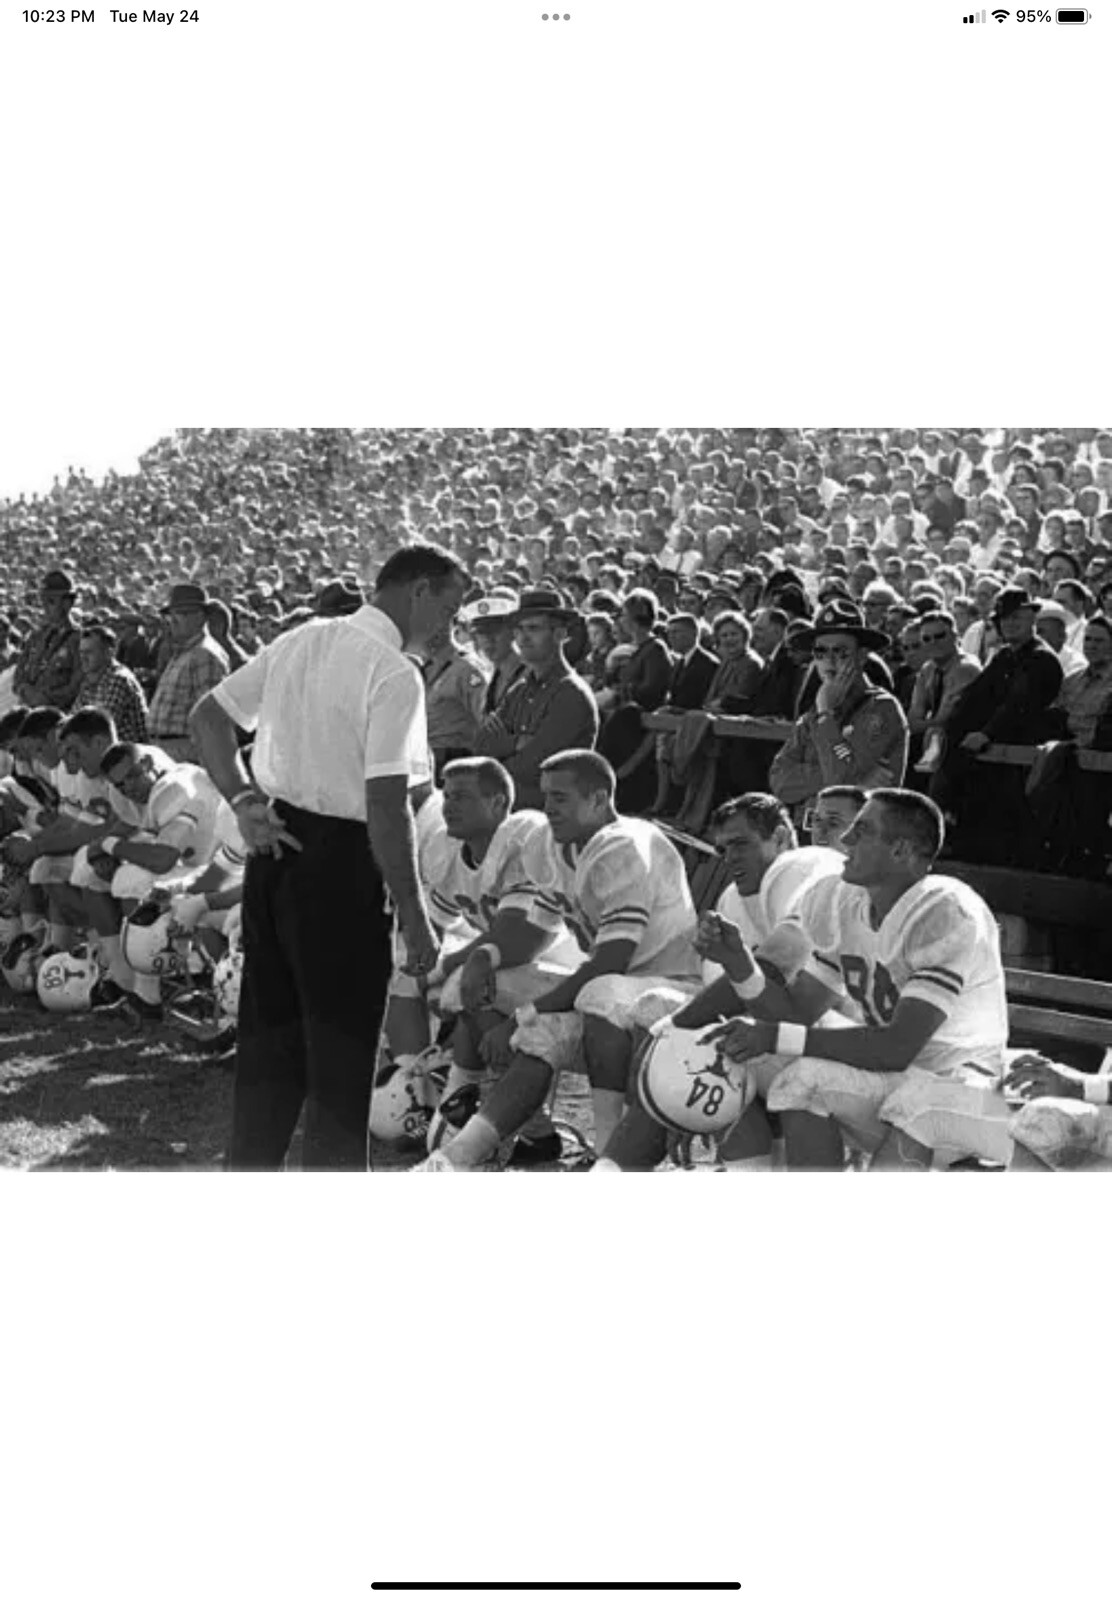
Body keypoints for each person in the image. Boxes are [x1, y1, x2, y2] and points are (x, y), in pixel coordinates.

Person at [189, 541, 468, 1170]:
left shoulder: (301, 639)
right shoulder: (394, 671)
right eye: (448, 608)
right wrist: (416, 917)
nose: (451, 625)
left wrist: (241, 798)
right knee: (340, 1061)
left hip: (276, 853)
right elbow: (387, 805)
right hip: (341, 864)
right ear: (417, 591)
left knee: (269, 1044)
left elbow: (208, 718)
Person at [413, 749, 701, 1169]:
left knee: (596, 995)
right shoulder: (551, 843)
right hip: (608, 991)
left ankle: (606, 1153)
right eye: (546, 796)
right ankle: (461, 1156)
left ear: (599, 800)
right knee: (482, 992)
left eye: (561, 798)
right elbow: (536, 932)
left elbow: (610, 963)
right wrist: (483, 956)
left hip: (667, 988)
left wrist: (523, 1014)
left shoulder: (622, 847)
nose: (548, 808)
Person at [705, 790, 1013, 1171]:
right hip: (896, 1081)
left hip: (965, 1087)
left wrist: (771, 1036)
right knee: (797, 1082)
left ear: (900, 851)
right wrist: (741, 968)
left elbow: (897, 1046)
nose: (846, 839)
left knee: (914, 1104)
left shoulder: (944, 908)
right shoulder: (842, 900)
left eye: (862, 831)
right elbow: (795, 1014)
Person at [769, 599, 909, 815]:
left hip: (857, 837)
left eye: (841, 652)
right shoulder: (814, 711)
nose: (829, 660)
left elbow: (840, 780)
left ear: (862, 656)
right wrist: (841, 773)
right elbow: (779, 780)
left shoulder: (882, 708)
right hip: (810, 831)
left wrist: (826, 716)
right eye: (820, 652)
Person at [472, 589, 599, 810]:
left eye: (533, 628)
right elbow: (481, 743)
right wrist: (516, 743)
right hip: (511, 812)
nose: (522, 637)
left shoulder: (571, 693)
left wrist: (502, 746)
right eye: (519, 629)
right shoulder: (520, 690)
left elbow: (532, 768)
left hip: (553, 820)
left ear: (560, 634)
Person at [146, 583, 229, 763]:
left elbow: (211, 720)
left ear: (201, 617)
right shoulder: (184, 652)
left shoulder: (205, 655)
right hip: (165, 748)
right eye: (171, 614)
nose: (173, 620)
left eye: (182, 614)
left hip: (184, 752)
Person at [422, 623, 490, 776]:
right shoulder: (424, 667)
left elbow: (486, 724)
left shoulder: (467, 669)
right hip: (427, 762)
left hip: (455, 762)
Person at [13, 570, 83, 711]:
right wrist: (23, 689)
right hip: (27, 711)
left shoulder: (79, 640)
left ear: (67, 603)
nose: (44, 606)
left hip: (56, 717)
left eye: (51, 601)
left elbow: (77, 685)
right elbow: (20, 670)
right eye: (43, 600)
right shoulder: (36, 635)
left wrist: (46, 698)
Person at [75, 625, 150, 744]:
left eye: (89, 652)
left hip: (130, 755)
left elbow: (100, 728)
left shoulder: (119, 679)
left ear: (109, 653)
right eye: (81, 652)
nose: (83, 658)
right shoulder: (89, 681)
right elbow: (74, 718)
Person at [464, 596, 529, 715]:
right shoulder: (493, 676)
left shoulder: (530, 675)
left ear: (513, 632)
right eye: (481, 633)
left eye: (495, 631)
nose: (488, 640)